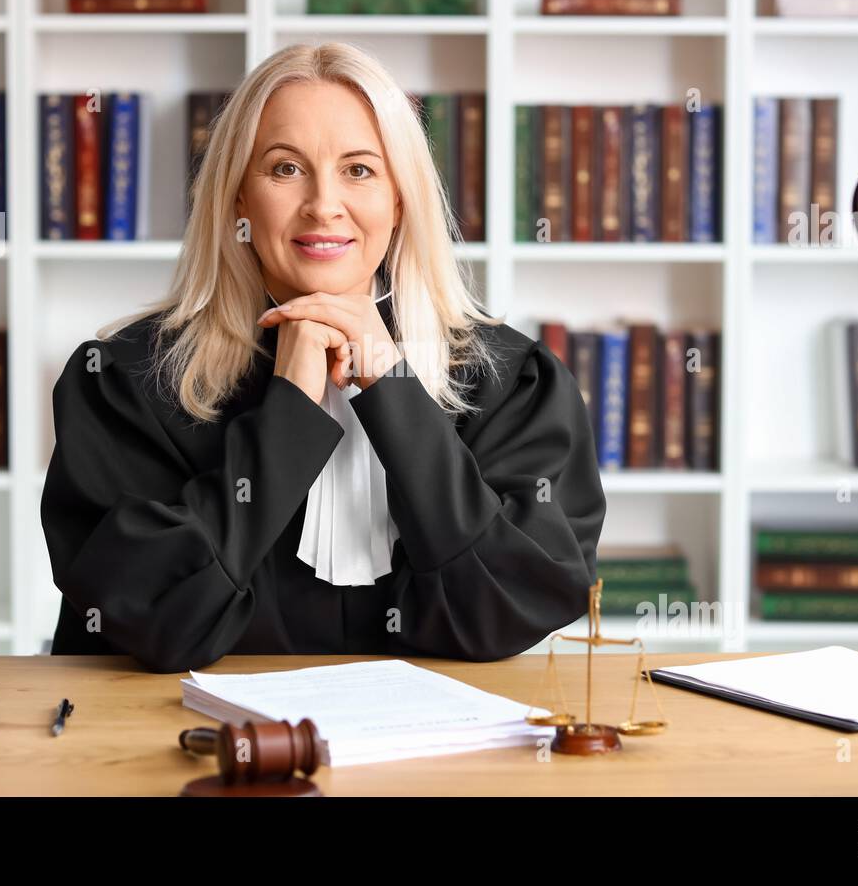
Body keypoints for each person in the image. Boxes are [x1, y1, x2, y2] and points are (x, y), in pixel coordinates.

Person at [40, 42, 606, 673]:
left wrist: (391, 391)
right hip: (182, 749)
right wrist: (289, 414)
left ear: (399, 200)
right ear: (236, 199)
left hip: (434, 761)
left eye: (359, 170)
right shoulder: (125, 383)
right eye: (285, 169)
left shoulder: (510, 381)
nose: (323, 204)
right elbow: (156, 624)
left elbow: (503, 614)